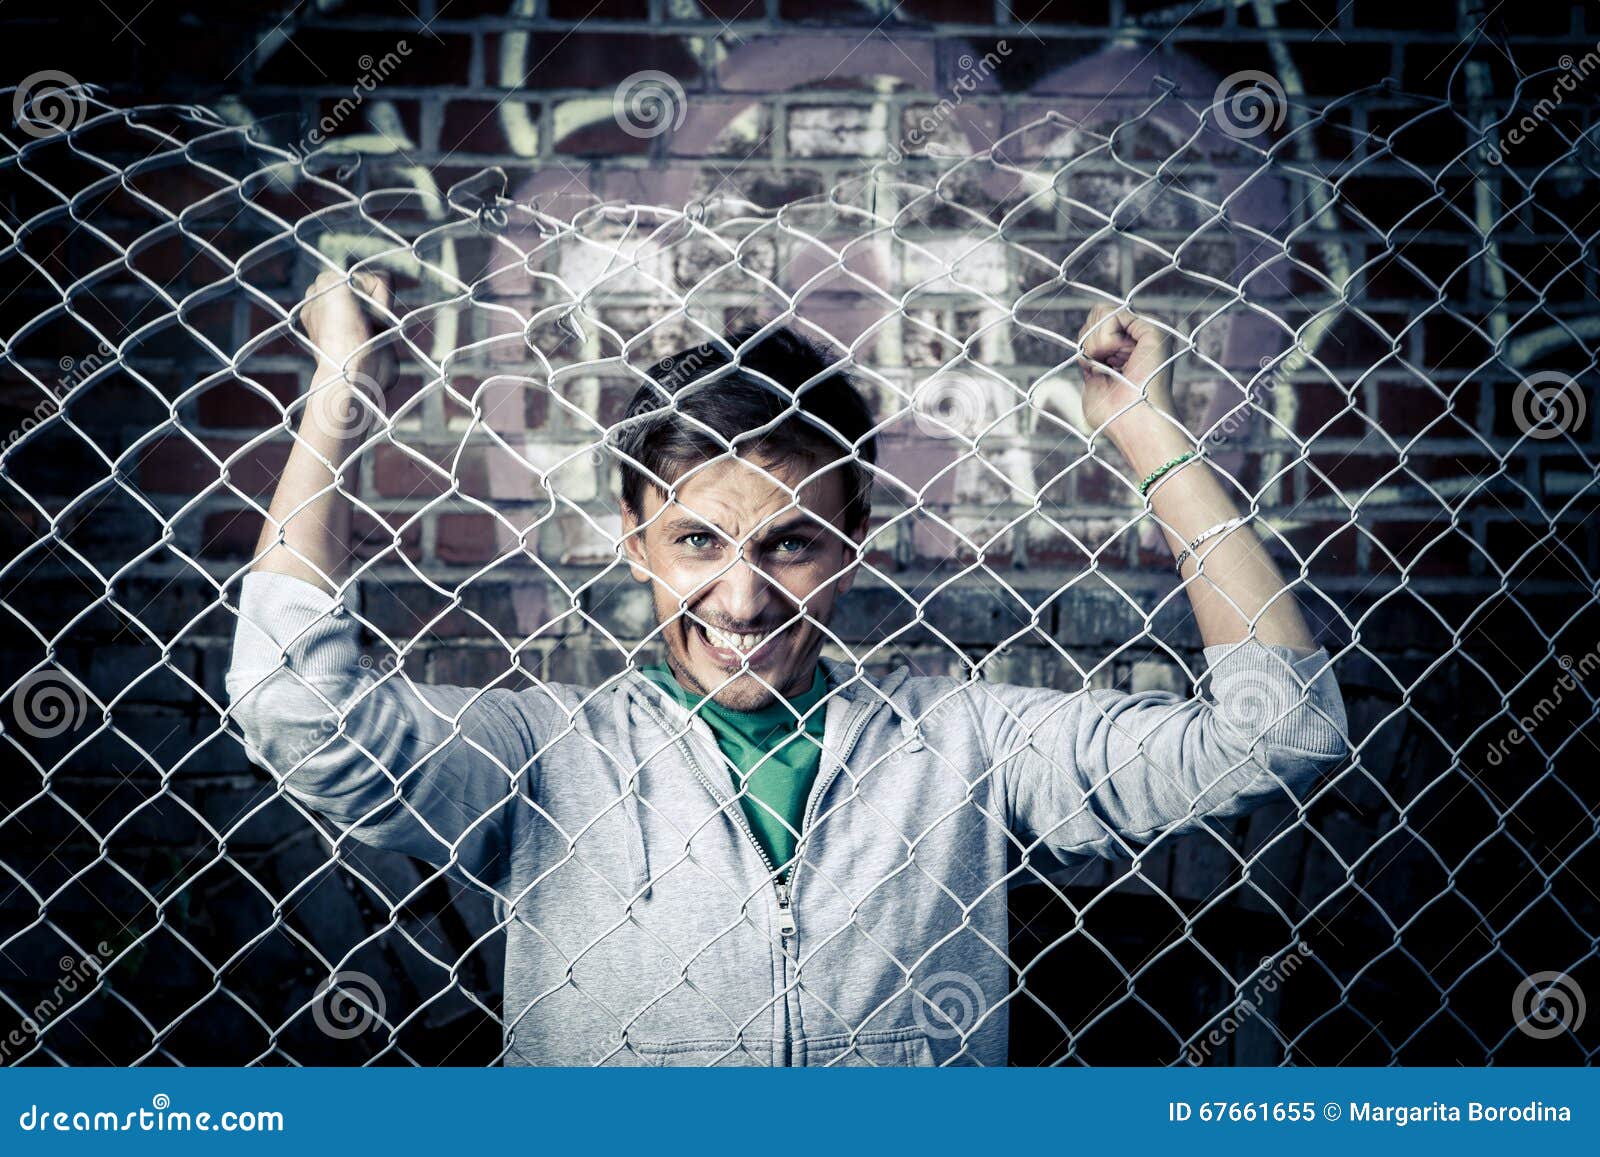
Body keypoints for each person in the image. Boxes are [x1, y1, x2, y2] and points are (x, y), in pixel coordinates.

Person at [226, 270, 1348, 1066]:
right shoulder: (546, 757)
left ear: (850, 542)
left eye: (790, 543)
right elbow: (293, 706)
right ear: (634, 537)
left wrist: (1148, 434)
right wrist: (339, 393)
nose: (744, 598)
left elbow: (1275, 732)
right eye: (697, 541)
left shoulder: (963, 744)